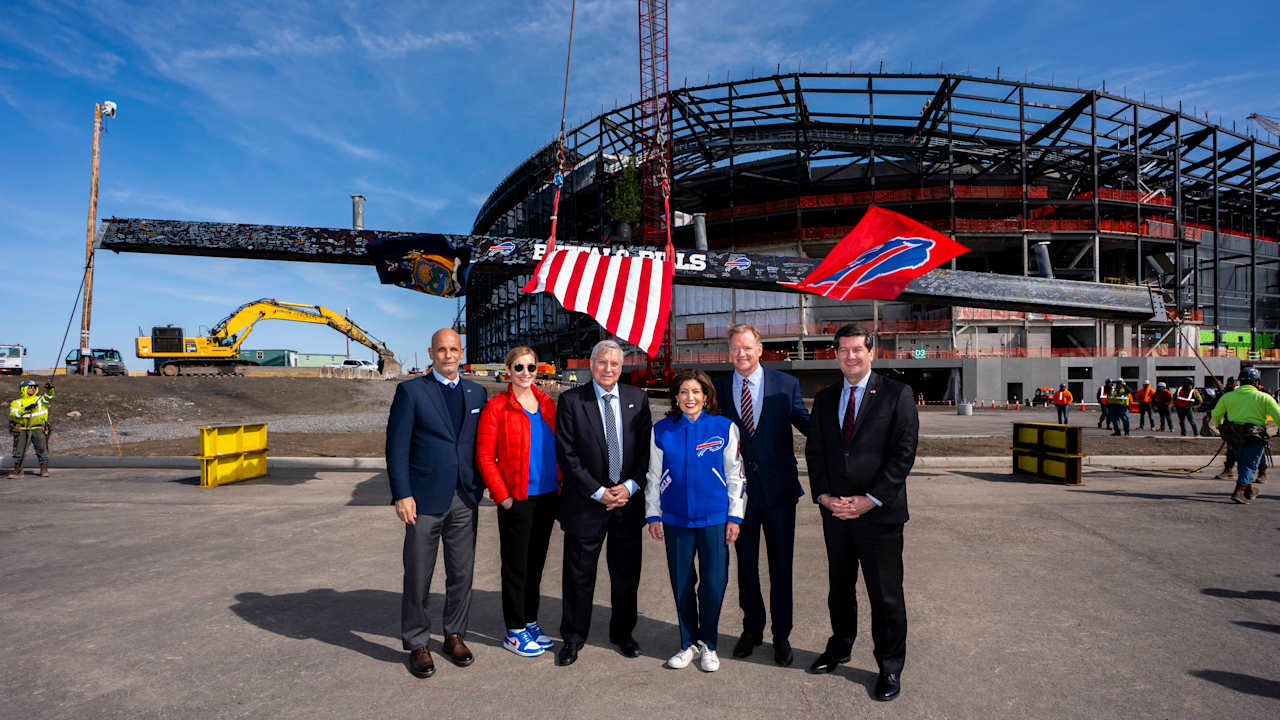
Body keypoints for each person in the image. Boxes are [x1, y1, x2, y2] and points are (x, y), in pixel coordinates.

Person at [805, 324, 918, 702]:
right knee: (839, 589)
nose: (850, 356)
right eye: (843, 350)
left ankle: (889, 666)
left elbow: (903, 456)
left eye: (857, 349)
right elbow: (815, 454)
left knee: (885, 595)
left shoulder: (896, 394)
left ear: (872, 351)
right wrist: (823, 496)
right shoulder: (824, 399)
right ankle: (840, 646)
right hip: (836, 514)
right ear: (835, 353)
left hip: (879, 515)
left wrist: (870, 499)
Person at [385, 328, 488, 679]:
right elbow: (396, 447)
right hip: (423, 500)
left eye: (454, 349)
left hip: (465, 497)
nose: (448, 355)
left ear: (462, 352)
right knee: (418, 575)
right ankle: (417, 642)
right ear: (431, 352)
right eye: (441, 349)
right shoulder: (411, 392)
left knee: (462, 573)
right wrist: (402, 494)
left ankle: (454, 634)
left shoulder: (477, 391)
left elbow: (481, 444)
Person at [712, 324, 810, 666]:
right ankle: (751, 629)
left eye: (748, 347)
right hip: (739, 496)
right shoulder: (719, 388)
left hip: (780, 494)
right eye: (736, 348)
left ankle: (781, 635)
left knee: (781, 567)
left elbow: (808, 425)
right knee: (747, 567)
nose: (742, 353)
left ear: (760, 349)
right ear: (729, 352)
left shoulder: (786, 385)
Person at [554, 339, 652, 666]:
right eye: (602, 362)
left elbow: (644, 453)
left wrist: (629, 487)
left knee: (626, 576)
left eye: (614, 363)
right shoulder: (571, 401)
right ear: (591, 364)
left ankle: (623, 634)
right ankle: (573, 637)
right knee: (579, 576)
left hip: (627, 503)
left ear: (621, 367)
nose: (608, 369)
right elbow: (566, 455)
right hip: (585, 504)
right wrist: (598, 491)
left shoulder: (638, 399)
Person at [645, 369, 746, 672]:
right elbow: (653, 474)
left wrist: (734, 516)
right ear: (675, 397)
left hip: (714, 519)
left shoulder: (724, 428)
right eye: (684, 392)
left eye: (696, 391)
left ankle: (709, 644)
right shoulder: (662, 430)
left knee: (713, 584)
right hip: (676, 519)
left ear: (706, 396)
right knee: (682, 583)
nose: (690, 397)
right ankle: (688, 643)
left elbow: (735, 475)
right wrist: (653, 513)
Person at [476, 346, 561, 658]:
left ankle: (529, 620)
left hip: (549, 496)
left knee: (536, 563)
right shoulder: (497, 407)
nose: (526, 373)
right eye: (519, 368)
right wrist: (503, 496)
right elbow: (485, 456)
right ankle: (514, 630)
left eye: (531, 368)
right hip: (518, 498)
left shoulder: (548, 403)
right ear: (508, 370)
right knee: (516, 566)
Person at [1211, 366, 1280, 504]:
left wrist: (1220, 427)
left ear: (1240, 382)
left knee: (1243, 463)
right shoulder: (1264, 397)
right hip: (1254, 436)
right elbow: (1278, 415)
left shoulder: (1228, 396)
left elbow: (1216, 414)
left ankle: (1249, 490)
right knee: (1249, 464)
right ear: (1256, 382)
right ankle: (1240, 491)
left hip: (1234, 436)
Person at [9, 379, 54, 478]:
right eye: (30, 387)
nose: (32, 389)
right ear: (23, 389)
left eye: (34, 387)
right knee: (19, 450)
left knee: (42, 449)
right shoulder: (16, 402)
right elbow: (14, 413)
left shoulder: (41, 400)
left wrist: (49, 390)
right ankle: (18, 471)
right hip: (22, 429)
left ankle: (44, 469)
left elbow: (49, 397)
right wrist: (25, 409)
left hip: (38, 428)